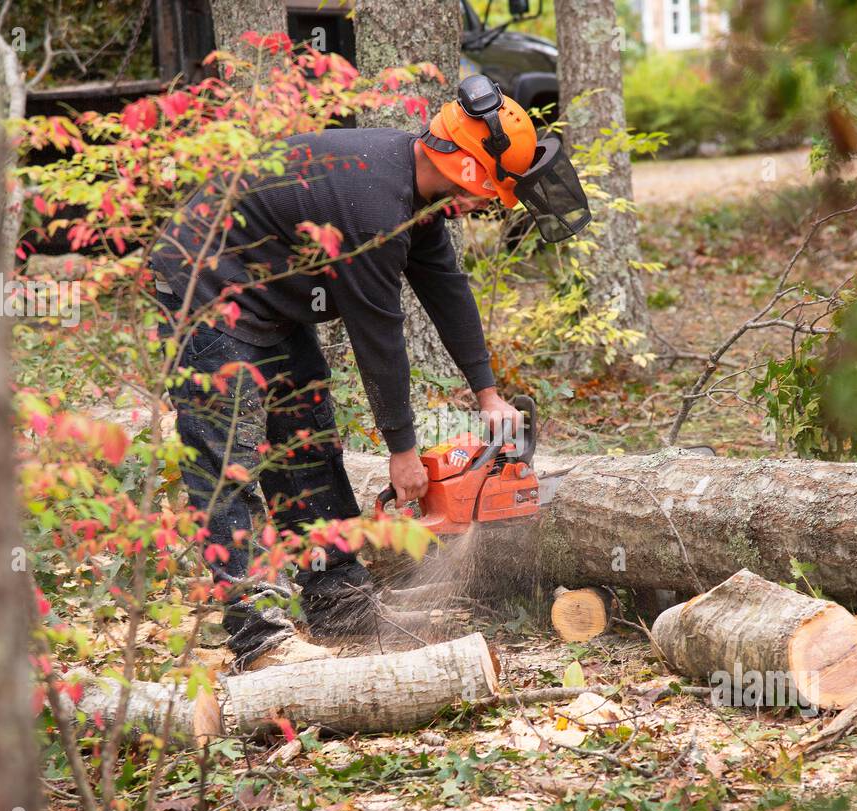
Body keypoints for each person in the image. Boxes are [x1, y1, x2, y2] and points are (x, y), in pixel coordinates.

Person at [150, 76, 589, 666]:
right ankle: (256, 636)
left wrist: (487, 393)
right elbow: (378, 334)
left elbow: (447, 291)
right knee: (223, 455)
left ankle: (340, 604)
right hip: (202, 282)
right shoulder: (376, 209)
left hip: (271, 293)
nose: (489, 206)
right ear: (470, 172)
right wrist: (403, 450)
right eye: (493, 192)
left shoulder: (420, 195)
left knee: (308, 444)